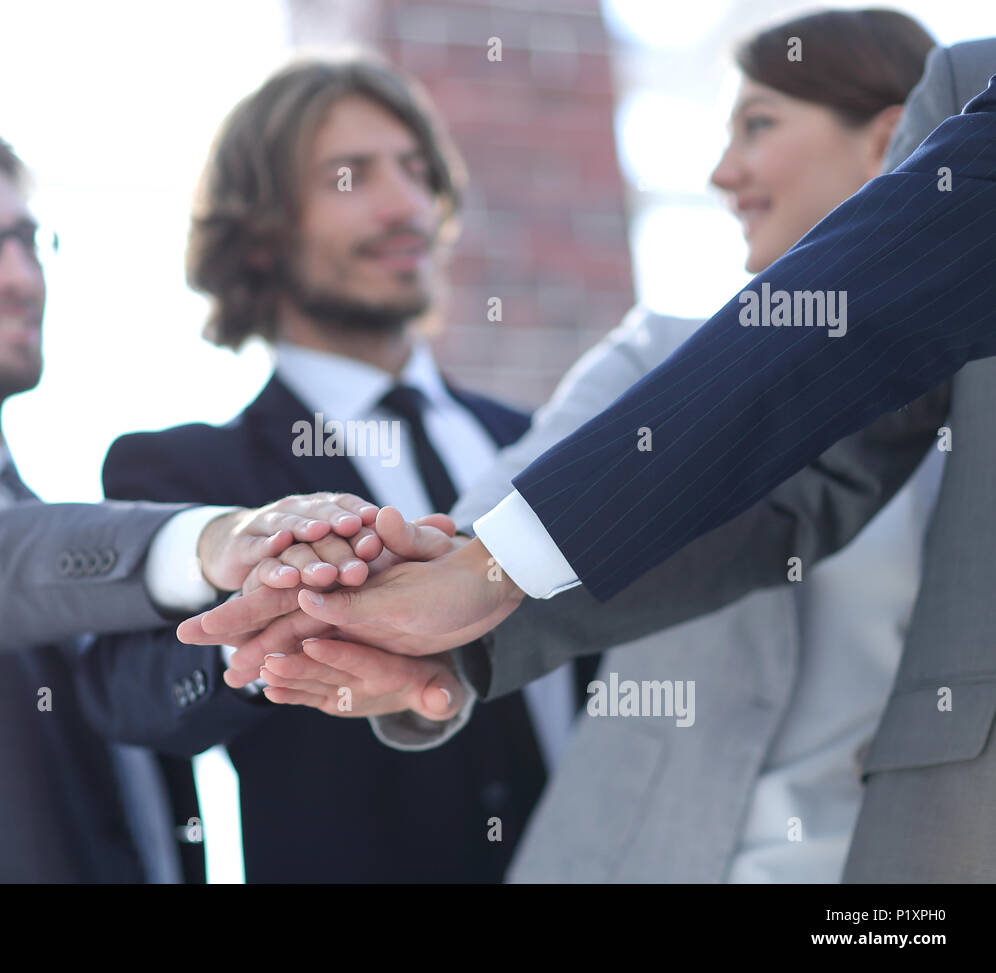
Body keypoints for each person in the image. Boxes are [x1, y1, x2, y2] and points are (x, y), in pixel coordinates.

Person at [186, 48, 996, 880]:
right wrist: (466, 591)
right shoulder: (662, 369)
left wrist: (474, 580)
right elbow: (785, 485)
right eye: (352, 175)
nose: (722, 174)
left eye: (759, 125)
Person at [0, 129, 387, 882]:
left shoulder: (49, 522)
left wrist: (259, 623)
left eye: (26, 240)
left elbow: (132, 694)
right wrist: (205, 540)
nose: (20, 277)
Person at [101, 56, 590, 883]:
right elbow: (132, 693)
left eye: (415, 170)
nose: (406, 204)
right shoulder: (190, 468)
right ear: (260, 232)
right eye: (349, 177)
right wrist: (263, 637)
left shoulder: (532, 437)